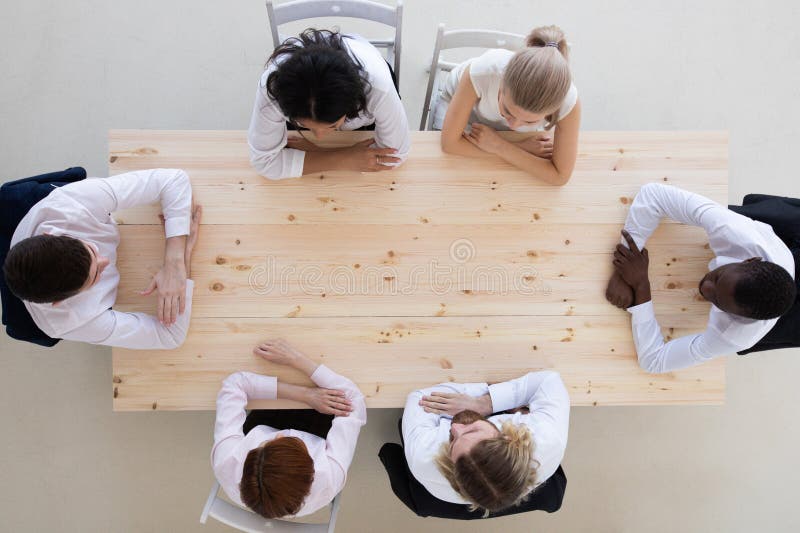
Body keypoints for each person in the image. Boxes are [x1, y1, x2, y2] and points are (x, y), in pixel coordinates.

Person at [606, 182, 796, 373]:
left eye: (718, 301)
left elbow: (654, 362)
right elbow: (653, 194)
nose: (705, 288)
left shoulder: (737, 335)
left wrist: (641, 287)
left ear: (738, 317)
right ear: (749, 260)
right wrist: (626, 264)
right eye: (718, 278)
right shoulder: (736, 232)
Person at [3, 169, 201, 349]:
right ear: (60, 302)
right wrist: (185, 259)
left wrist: (174, 260)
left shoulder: (68, 204)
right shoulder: (68, 320)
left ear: (51, 234)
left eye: (91, 249)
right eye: (96, 274)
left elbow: (173, 180)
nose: (104, 261)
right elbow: (169, 337)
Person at [212, 339, 367, 519]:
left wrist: (305, 394)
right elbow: (354, 400)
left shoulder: (227, 461)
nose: (278, 436)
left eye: (268, 442)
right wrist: (298, 360)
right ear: (312, 471)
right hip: (318, 427)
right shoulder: (330, 476)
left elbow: (234, 384)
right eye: (287, 440)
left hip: (267, 419)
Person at [248, 28, 411, 179]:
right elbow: (263, 162)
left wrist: (316, 152)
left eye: (332, 126)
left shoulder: (378, 87)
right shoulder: (274, 87)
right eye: (308, 126)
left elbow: (395, 156)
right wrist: (345, 158)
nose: (319, 136)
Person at [402, 370, 569, 514]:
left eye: (452, 442)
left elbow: (419, 397)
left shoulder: (425, 454)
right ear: (508, 438)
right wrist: (486, 403)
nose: (455, 428)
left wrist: (493, 399)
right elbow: (548, 380)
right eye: (473, 430)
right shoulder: (547, 436)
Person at [434, 25, 580, 185]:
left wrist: (500, 146)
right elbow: (449, 144)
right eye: (507, 111)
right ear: (501, 84)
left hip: (495, 140)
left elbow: (560, 176)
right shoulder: (481, 72)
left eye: (530, 121)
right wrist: (520, 148)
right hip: (459, 104)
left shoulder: (568, 101)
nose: (514, 125)